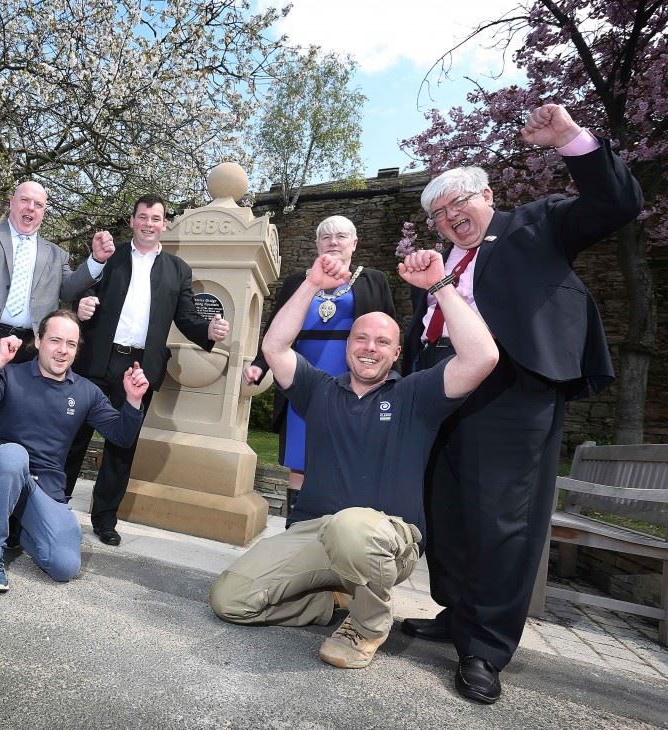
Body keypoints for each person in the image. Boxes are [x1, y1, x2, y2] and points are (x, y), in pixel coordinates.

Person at [399, 104, 644, 703]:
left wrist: (572, 142)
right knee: (446, 508)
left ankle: (484, 647)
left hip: (513, 386)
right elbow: (428, 324)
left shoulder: (538, 224)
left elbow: (615, 206)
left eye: (460, 203)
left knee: (502, 516)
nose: (451, 218)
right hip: (440, 386)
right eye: (438, 214)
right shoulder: (440, 265)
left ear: (487, 195)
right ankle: (456, 613)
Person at [209, 248, 498, 671]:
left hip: (386, 541)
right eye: (360, 338)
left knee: (351, 525)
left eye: (383, 341)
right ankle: (330, 603)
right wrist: (311, 284)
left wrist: (441, 286)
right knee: (229, 600)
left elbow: (482, 357)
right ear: (347, 345)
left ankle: (366, 626)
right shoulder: (320, 390)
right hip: (317, 534)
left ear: (397, 353)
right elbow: (274, 346)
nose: (369, 348)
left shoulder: (416, 396)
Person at [0, 181, 115, 549]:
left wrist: (96, 260)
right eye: (25, 200)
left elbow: (71, 287)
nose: (31, 209)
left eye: (39, 204)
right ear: (11, 203)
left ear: (45, 211)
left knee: (3, 434)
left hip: (27, 347)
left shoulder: (55, 254)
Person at [62, 194, 231, 546]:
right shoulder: (111, 257)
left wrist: (208, 332)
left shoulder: (178, 270)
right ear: (133, 221)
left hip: (140, 367)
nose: (149, 223)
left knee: (122, 446)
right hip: (96, 360)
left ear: (164, 224)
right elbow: (81, 292)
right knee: (74, 436)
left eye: (156, 218)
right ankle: (53, 503)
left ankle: (105, 518)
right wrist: (82, 306)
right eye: (143, 217)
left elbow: (185, 316)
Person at [0, 310, 149, 592]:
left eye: (70, 344)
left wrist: (133, 400)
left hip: (45, 488)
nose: (62, 350)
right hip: (1, 470)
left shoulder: (86, 392)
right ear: (38, 340)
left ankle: (21, 527)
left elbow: (122, 437)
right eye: (55, 340)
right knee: (13, 455)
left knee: (64, 566)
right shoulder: (11, 375)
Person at [244, 215, 395, 513]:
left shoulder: (372, 279)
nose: (333, 242)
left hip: (352, 379)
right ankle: (296, 524)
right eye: (326, 237)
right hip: (301, 377)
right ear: (316, 244)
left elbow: (390, 329)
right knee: (300, 458)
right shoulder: (297, 282)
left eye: (340, 236)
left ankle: (338, 524)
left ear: (354, 243)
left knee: (348, 454)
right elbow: (276, 327)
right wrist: (262, 364)